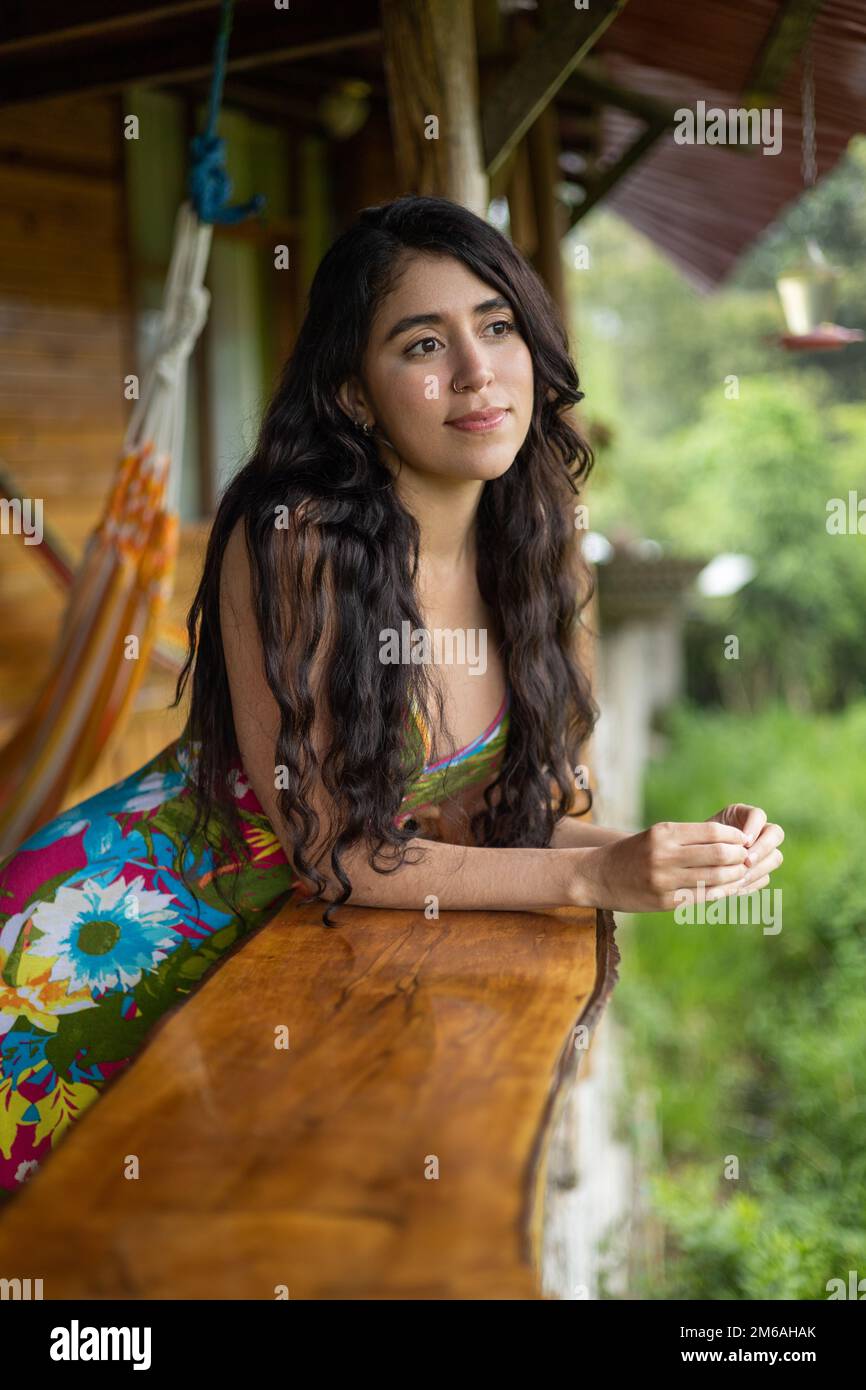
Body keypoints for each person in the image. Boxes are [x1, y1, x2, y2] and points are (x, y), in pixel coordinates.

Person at [0, 195, 784, 1201]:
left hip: (246, 973)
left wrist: (660, 855)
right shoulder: (301, 541)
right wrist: (594, 881)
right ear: (357, 396)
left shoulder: (528, 547)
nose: (475, 370)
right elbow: (335, 849)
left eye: (496, 326)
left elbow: (473, 832)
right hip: (98, 951)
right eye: (423, 343)